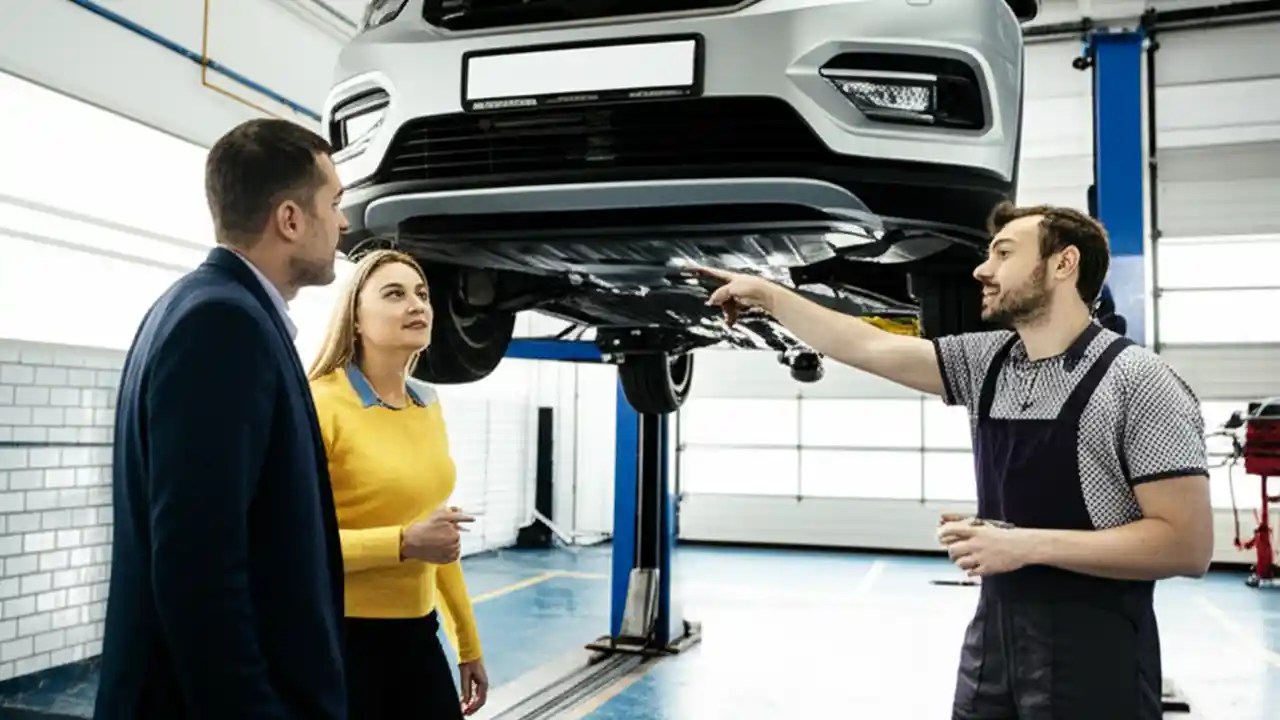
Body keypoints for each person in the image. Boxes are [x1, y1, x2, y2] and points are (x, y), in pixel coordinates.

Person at [699, 202, 1214, 719]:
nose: (981, 270)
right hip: (994, 645)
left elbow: (1186, 545)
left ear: (1064, 264)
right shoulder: (988, 361)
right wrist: (768, 294)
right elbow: (868, 347)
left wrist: (1021, 544)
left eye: (1003, 254)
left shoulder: (1139, 381)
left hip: (1096, 657)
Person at [95, 118, 351, 719]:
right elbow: (198, 566)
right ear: (290, 219)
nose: (343, 223)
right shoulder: (223, 324)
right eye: (334, 203)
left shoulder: (196, 307)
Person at [306, 249, 490, 719]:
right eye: (394, 294)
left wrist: (467, 643)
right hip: (342, 643)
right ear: (357, 320)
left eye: (422, 294)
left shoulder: (426, 406)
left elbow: (440, 539)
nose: (417, 305)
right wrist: (402, 543)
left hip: (417, 637)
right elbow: (294, 547)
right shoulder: (320, 405)